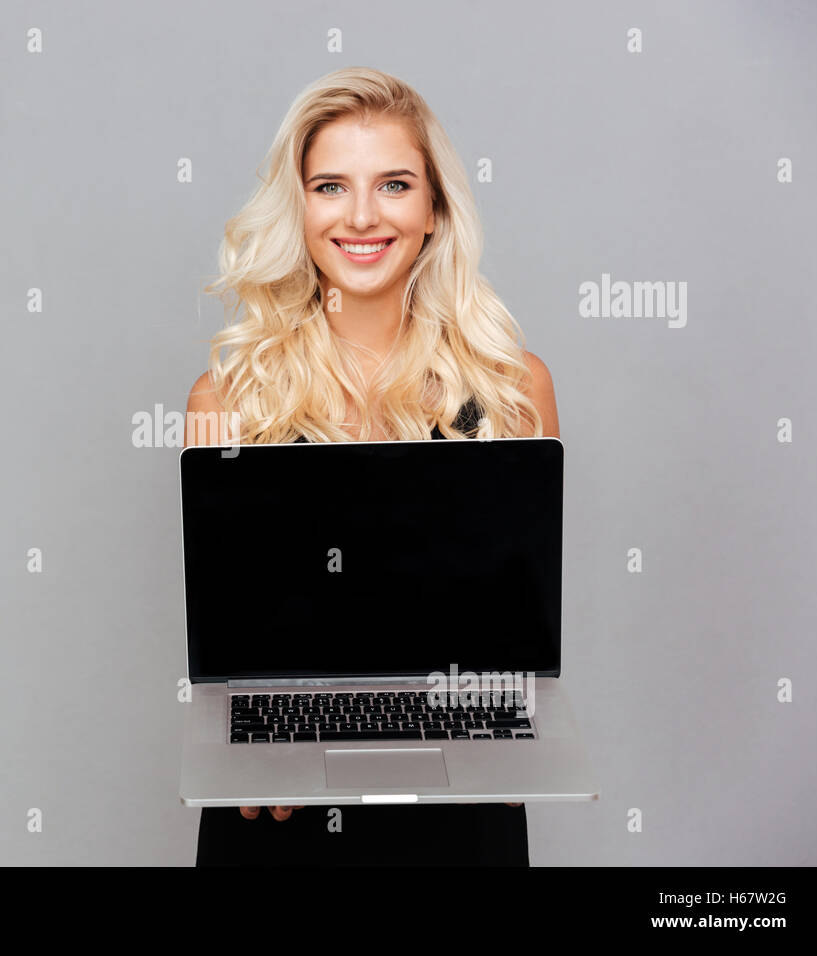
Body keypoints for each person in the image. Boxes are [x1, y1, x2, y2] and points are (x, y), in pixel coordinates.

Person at [184, 67, 560, 866]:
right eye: (330, 186)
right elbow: (230, 640)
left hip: (462, 796)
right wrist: (243, 733)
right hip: (277, 807)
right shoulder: (229, 397)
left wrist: (522, 732)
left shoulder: (510, 388)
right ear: (301, 208)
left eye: (394, 184)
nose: (361, 215)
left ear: (434, 211)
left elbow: (523, 637)